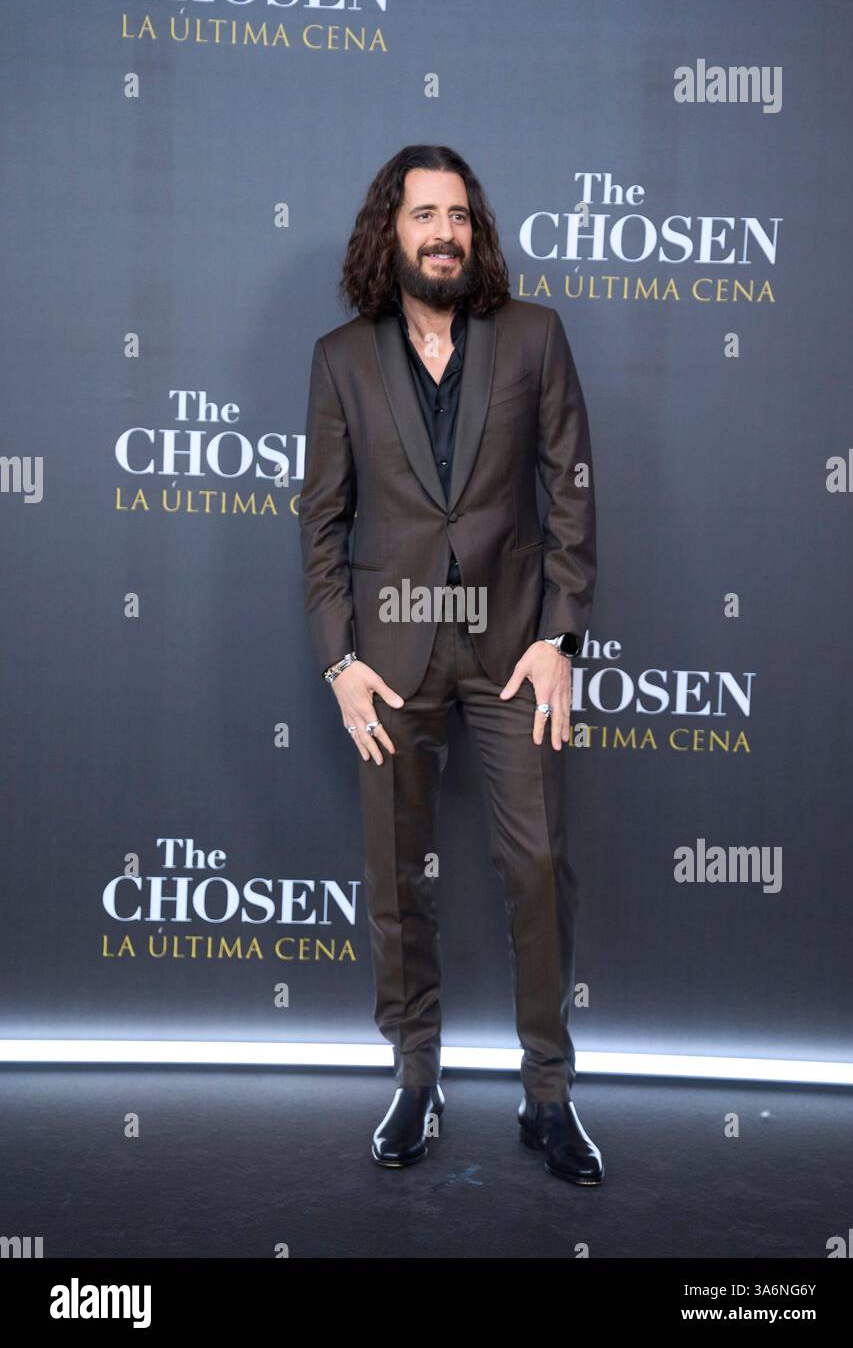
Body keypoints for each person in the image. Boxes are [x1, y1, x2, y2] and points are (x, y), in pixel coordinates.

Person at [298, 144, 602, 1186]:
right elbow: (322, 521)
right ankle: (414, 1079)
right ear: (391, 231)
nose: (443, 233)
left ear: (476, 233)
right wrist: (338, 661)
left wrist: (561, 638)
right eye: (423, 215)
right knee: (395, 877)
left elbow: (569, 494)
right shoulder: (342, 358)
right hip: (389, 659)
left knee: (536, 867)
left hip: (514, 649)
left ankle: (547, 1095)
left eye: (459, 217)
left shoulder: (532, 338)